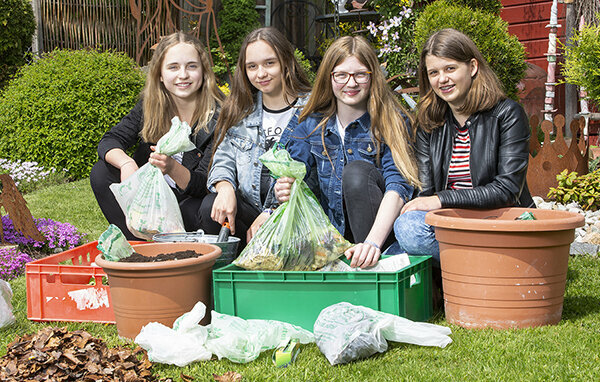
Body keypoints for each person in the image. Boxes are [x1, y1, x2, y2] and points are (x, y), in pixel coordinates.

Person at [274, 35, 420, 269]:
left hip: (379, 237)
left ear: (372, 77)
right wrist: (282, 185)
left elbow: (398, 186)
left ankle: (371, 266)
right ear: (329, 78)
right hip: (331, 238)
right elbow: (290, 165)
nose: (351, 83)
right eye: (341, 75)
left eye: (360, 74)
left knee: (355, 174)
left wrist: (372, 243)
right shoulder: (313, 124)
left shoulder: (389, 121)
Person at [393, 28, 534, 264]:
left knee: (403, 247)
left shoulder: (507, 114)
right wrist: (433, 203)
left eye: (450, 68)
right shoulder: (430, 122)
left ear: (472, 67)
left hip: (500, 221)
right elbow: (426, 192)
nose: (442, 79)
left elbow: (507, 190)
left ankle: (471, 269)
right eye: (434, 72)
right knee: (407, 229)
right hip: (452, 224)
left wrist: (441, 199)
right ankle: (486, 265)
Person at [90, 31, 225, 240]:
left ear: (204, 71)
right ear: (160, 75)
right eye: (173, 67)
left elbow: (205, 184)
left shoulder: (219, 116)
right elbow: (110, 140)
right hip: (151, 203)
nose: (183, 75)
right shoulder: (150, 107)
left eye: (192, 66)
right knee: (102, 172)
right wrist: (127, 164)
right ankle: (139, 246)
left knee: (199, 206)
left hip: (191, 207)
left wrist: (171, 167)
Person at [200, 27, 312, 244]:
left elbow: (315, 176)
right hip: (253, 212)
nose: (261, 73)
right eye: (252, 66)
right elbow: (223, 161)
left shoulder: (311, 110)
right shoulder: (241, 112)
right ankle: (229, 272)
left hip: (297, 213)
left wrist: (273, 212)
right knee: (210, 206)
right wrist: (224, 188)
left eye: (269, 63)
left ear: (286, 62)